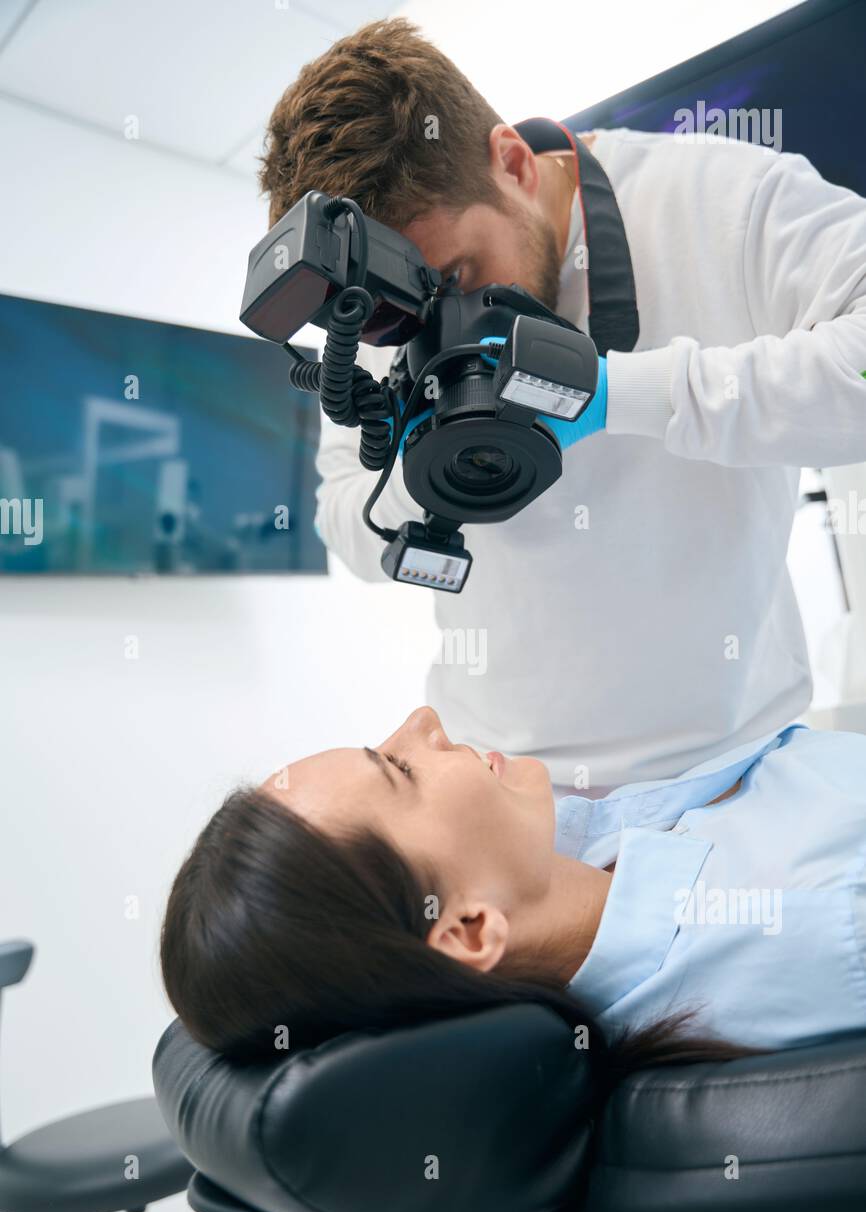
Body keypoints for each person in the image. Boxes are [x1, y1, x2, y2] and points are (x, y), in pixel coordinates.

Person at [257, 17, 866, 798]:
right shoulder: (376, 306)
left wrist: (623, 395)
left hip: (733, 773)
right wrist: (416, 466)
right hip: (499, 791)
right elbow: (344, 520)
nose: (442, 318)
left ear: (511, 163)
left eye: (464, 276)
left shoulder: (724, 199)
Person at [160, 705, 865, 1212]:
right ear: (467, 929)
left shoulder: (598, 851)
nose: (424, 720)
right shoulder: (818, 922)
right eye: (398, 768)